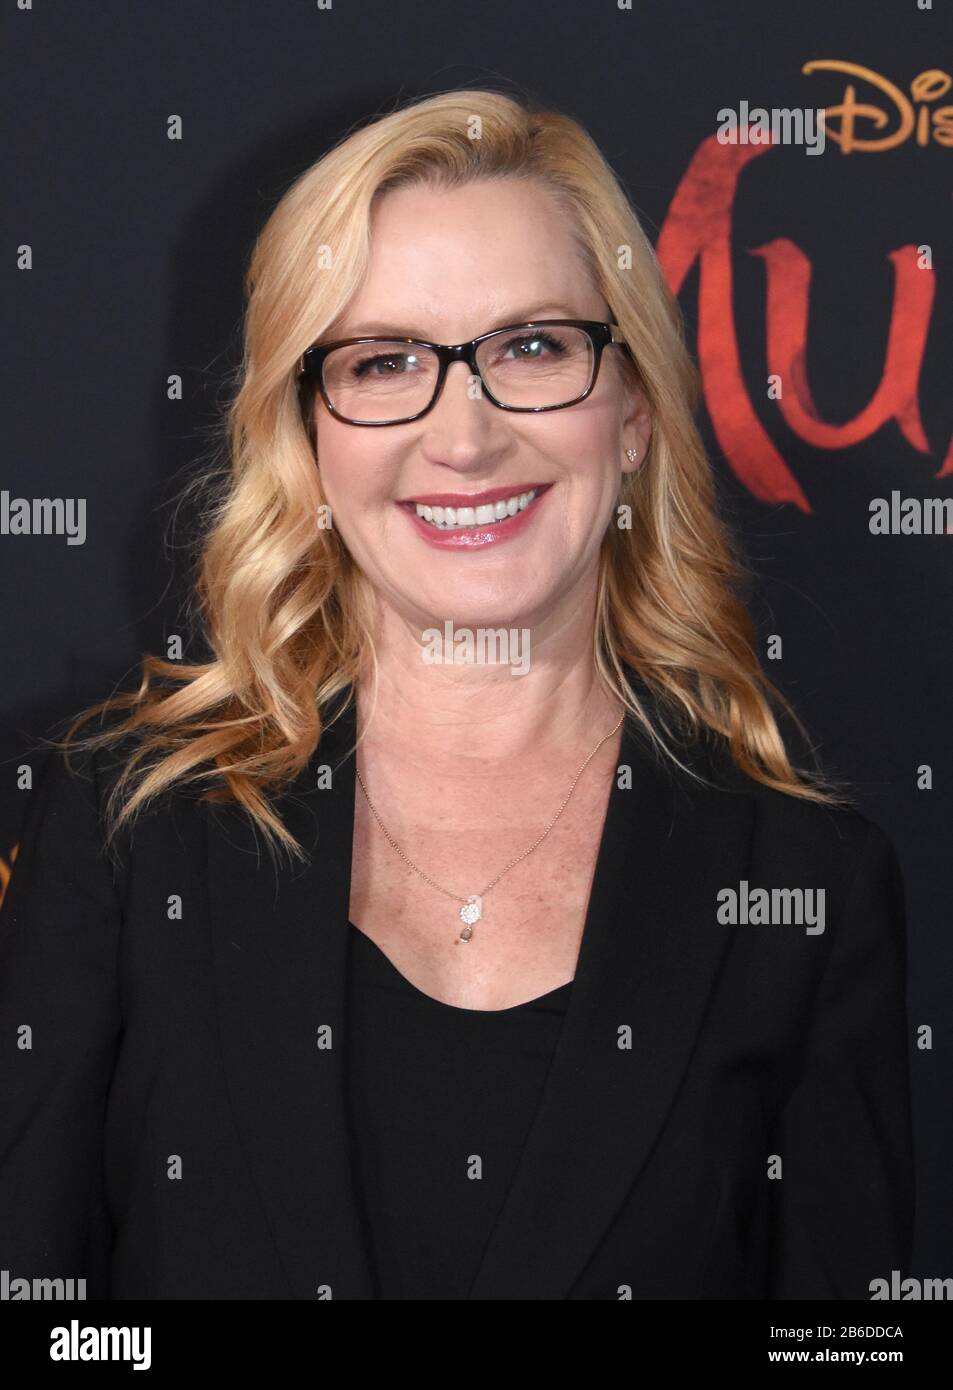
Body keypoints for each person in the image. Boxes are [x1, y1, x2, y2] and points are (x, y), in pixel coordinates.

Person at [0, 87, 913, 1300]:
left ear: (631, 412)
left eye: (532, 347)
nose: (465, 437)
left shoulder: (805, 887)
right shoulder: (126, 835)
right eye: (384, 363)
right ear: (307, 433)